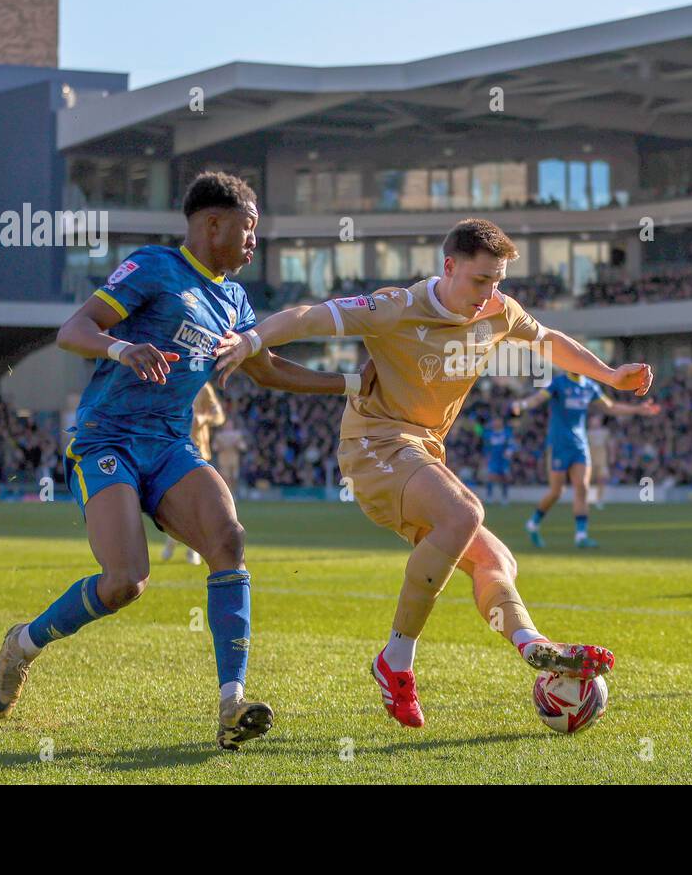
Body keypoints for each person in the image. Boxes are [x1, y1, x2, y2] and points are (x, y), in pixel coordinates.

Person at [215, 218, 655, 728]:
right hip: (372, 448)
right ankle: (395, 661)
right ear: (449, 267)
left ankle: (532, 643)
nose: (490, 293)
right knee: (465, 511)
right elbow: (306, 318)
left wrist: (609, 374)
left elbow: (549, 340)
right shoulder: (395, 308)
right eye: (480, 279)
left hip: (423, 452)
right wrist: (250, 340)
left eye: (498, 281)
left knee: (497, 558)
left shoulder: (499, 311)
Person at [0, 171, 366, 750]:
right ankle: (24, 643)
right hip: (106, 440)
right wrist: (121, 346)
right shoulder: (154, 268)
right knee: (124, 583)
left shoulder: (234, 298)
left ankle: (231, 704)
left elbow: (265, 369)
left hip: (168, 446)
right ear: (212, 223)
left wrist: (350, 382)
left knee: (228, 540)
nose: (253, 241)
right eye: (248, 227)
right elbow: (74, 329)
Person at [516, 372, 659, 549]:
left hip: (580, 445)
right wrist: (522, 404)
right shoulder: (559, 383)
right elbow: (538, 399)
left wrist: (637, 409)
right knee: (557, 491)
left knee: (582, 487)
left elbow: (610, 406)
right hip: (559, 444)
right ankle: (533, 524)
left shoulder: (589, 386)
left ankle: (581, 536)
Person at [162, 384, 225, 564]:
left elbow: (219, 416)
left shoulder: (204, 388)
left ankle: (184, 546)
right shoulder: (172, 384)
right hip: (174, 449)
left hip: (199, 451)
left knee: (195, 504)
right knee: (181, 503)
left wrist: (204, 418)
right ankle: (178, 543)